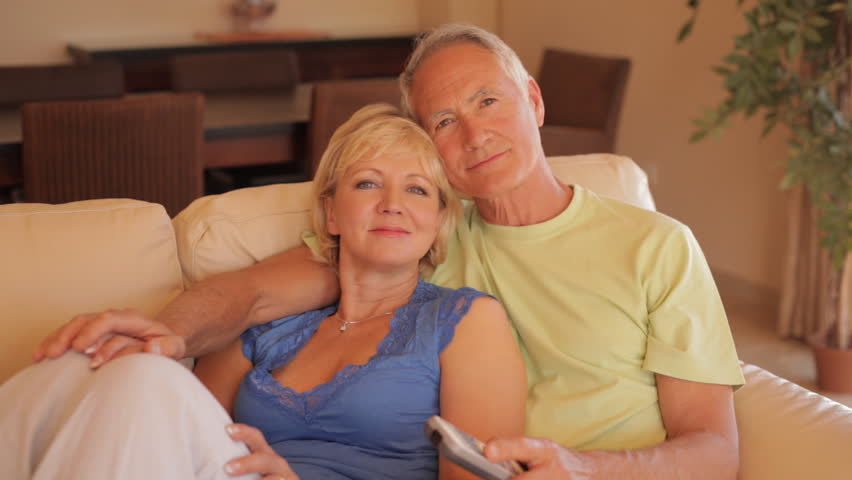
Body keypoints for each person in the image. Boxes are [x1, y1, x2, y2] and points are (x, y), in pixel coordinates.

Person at [34, 24, 745, 479]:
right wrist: (172, 333)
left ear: (532, 99)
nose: (473, 134)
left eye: (488, 101)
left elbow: (716, 449)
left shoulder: (657, 245)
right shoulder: (417, 232)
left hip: (589, 474)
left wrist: (580, 466)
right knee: (97, 373)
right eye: (444, 119)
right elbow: (253, 293)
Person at [2, 104, 527, 480]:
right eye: (368, 183)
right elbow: (179, 431)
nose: (392, 203)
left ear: (438, 223)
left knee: (138, 369)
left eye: (417, 189)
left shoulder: (463, 319)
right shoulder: (269, 324)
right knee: (89, 360)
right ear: (330, 213)